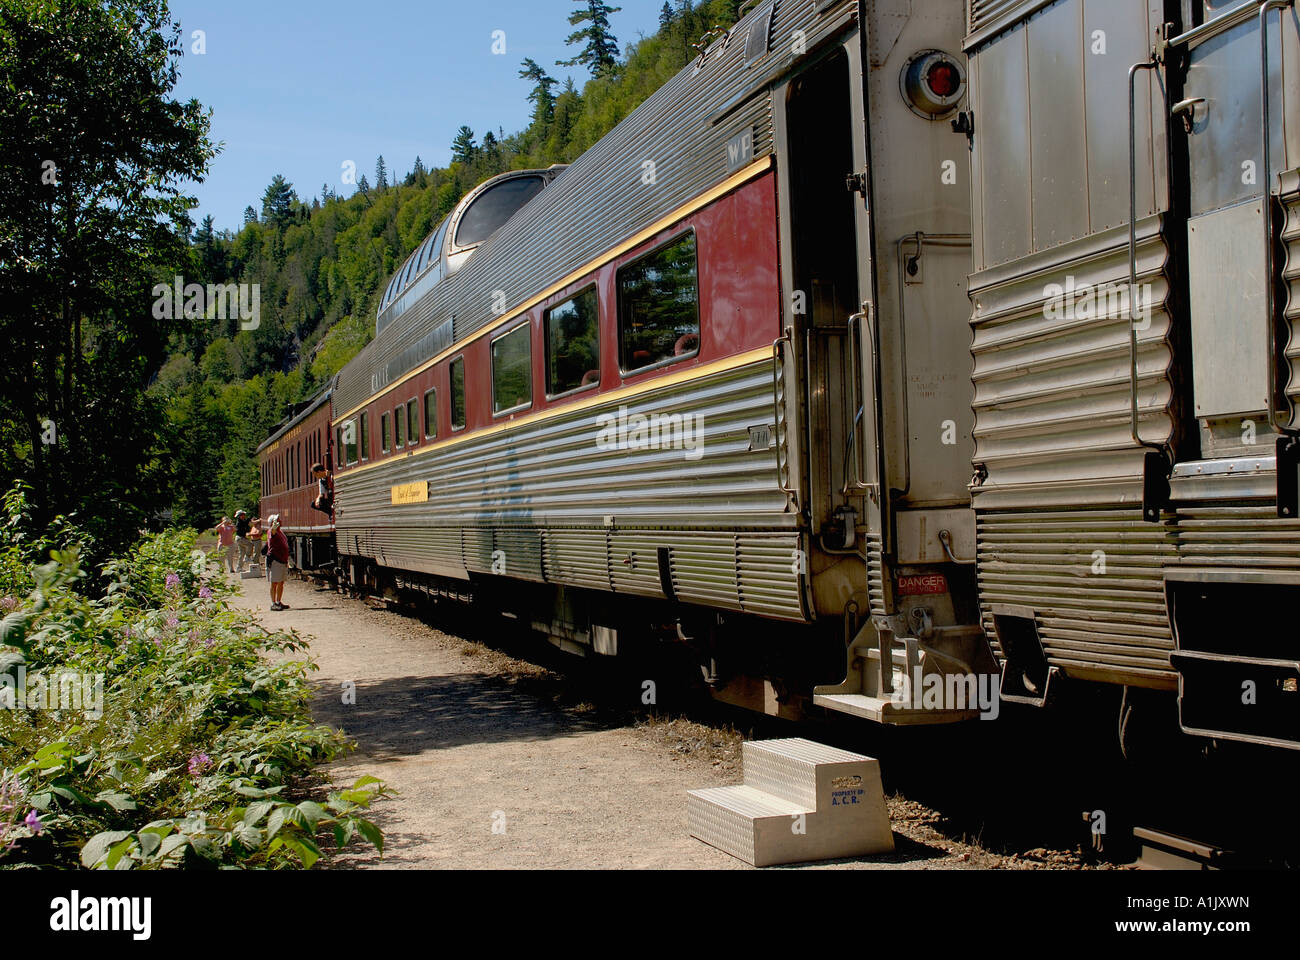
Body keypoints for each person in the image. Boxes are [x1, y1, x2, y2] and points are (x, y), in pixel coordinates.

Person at [266, 515, 291, 610]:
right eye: (277, 520)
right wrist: (273, 527)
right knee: (274, 582)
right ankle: (273, 603)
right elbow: (272, 532)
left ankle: (278, 601)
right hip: (275, 560)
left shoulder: (281, 532)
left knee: (281, 582)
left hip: (282, 560)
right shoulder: (272, 531)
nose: (280, 521)